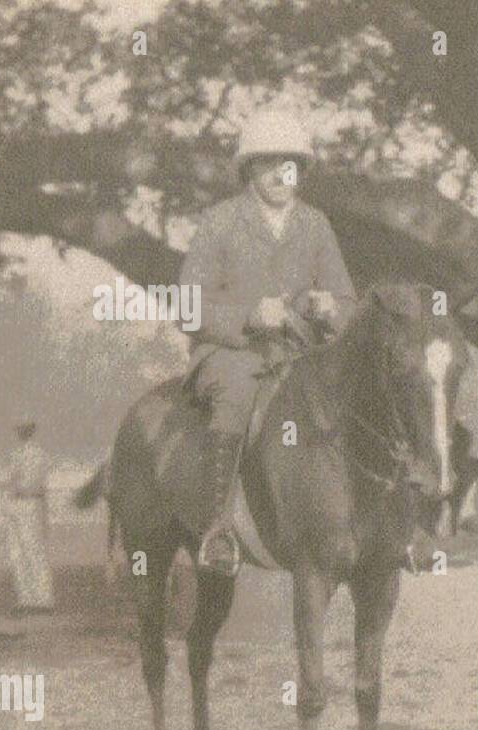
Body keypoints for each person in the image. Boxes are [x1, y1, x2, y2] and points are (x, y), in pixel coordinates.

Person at [179, 104, 358, 576]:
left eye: (292, 165)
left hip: (299, 353)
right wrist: (249, 315)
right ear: (249, 170)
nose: (283, 174)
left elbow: (346, 300)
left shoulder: (315, 224)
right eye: (270, 164)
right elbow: (187, 306)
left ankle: (373, 525)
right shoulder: (220, 222)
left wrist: (330, 309)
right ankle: (218, 529)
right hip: (233, 353)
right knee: (237, 396)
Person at [1, 420, 55, 612]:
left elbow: (26, 482)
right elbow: (5, 480)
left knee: (33, 551)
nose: (20, 433)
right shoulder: (19, 454)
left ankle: (43, 599)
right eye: (19, 429)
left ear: (28, 432)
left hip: (30, 502)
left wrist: (12, 480)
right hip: (17, 503)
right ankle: (27, 598)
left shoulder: (37, 454)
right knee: (17, 553)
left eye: (22, 430)